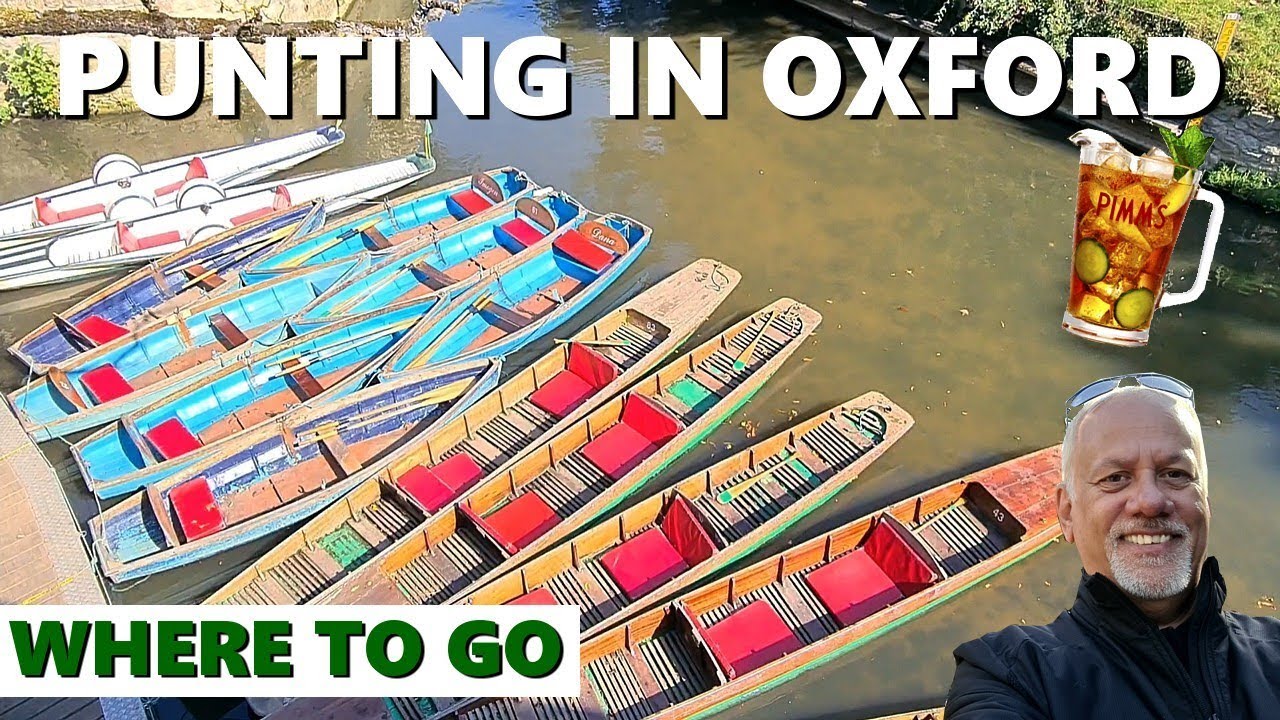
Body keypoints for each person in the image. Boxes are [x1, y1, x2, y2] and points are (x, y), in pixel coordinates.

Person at [944, 373, 1280, 719]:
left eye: (1175, 474)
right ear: (1067, 514)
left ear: (1205, 503)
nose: (1150, 501)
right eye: (1115, 478)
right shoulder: (1009, 675)